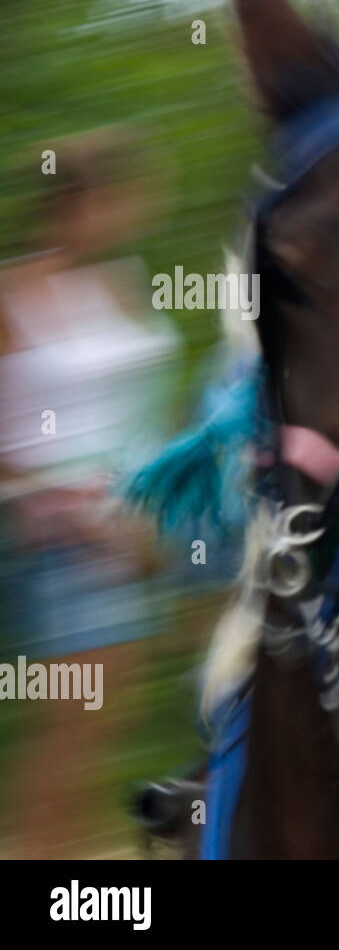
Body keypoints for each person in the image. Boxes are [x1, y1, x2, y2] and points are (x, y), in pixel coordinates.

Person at [0, 128, 179, 855]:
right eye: (120, 196)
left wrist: (151, 510)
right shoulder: (14, 291)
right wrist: (69, 515)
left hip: (131, 532)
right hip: (61, 544)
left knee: (99, 733)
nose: (132, 211)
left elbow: (138, 411)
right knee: (68, 745)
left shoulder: (119, 282)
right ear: (80, 200)